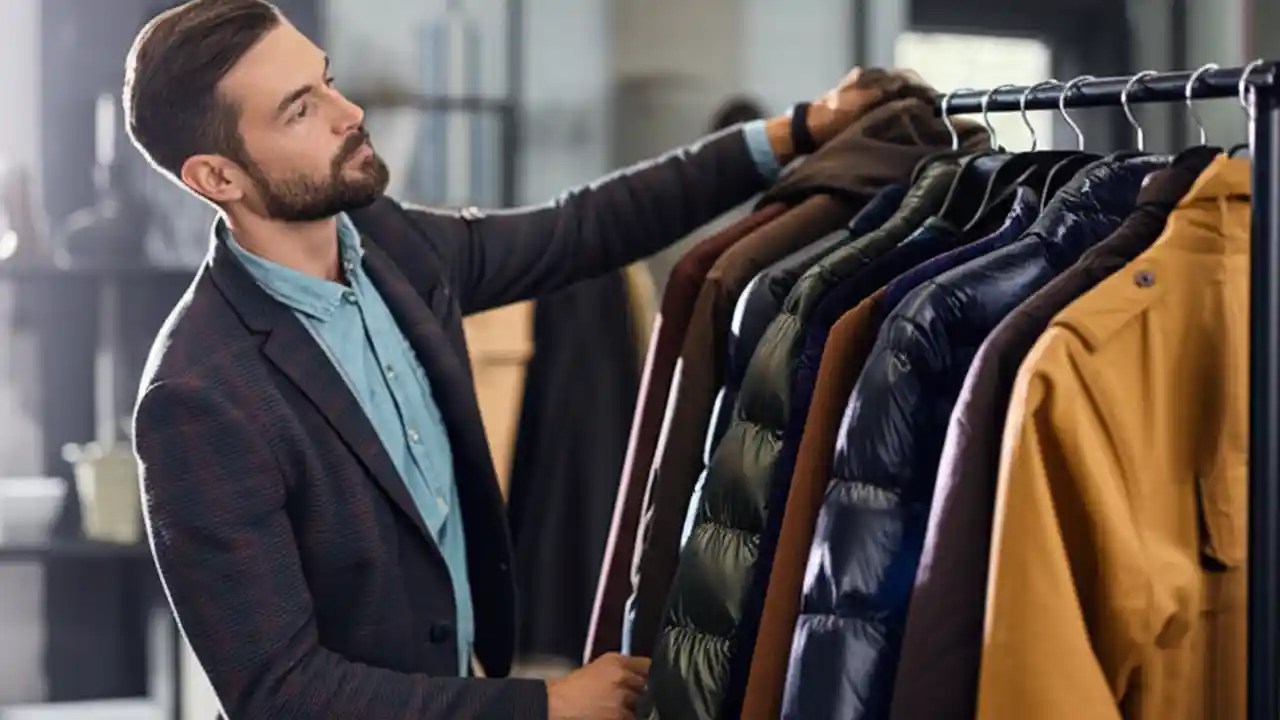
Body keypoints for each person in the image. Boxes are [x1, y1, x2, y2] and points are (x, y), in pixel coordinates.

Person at [125, 1, 896, 717]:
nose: (349, 113)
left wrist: (797, 131)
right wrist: (547, 706)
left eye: (325, 81)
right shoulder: (199, 396)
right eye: (300, 109)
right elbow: (282, 693)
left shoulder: (392, 247)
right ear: (216, 177)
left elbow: (582, 227)